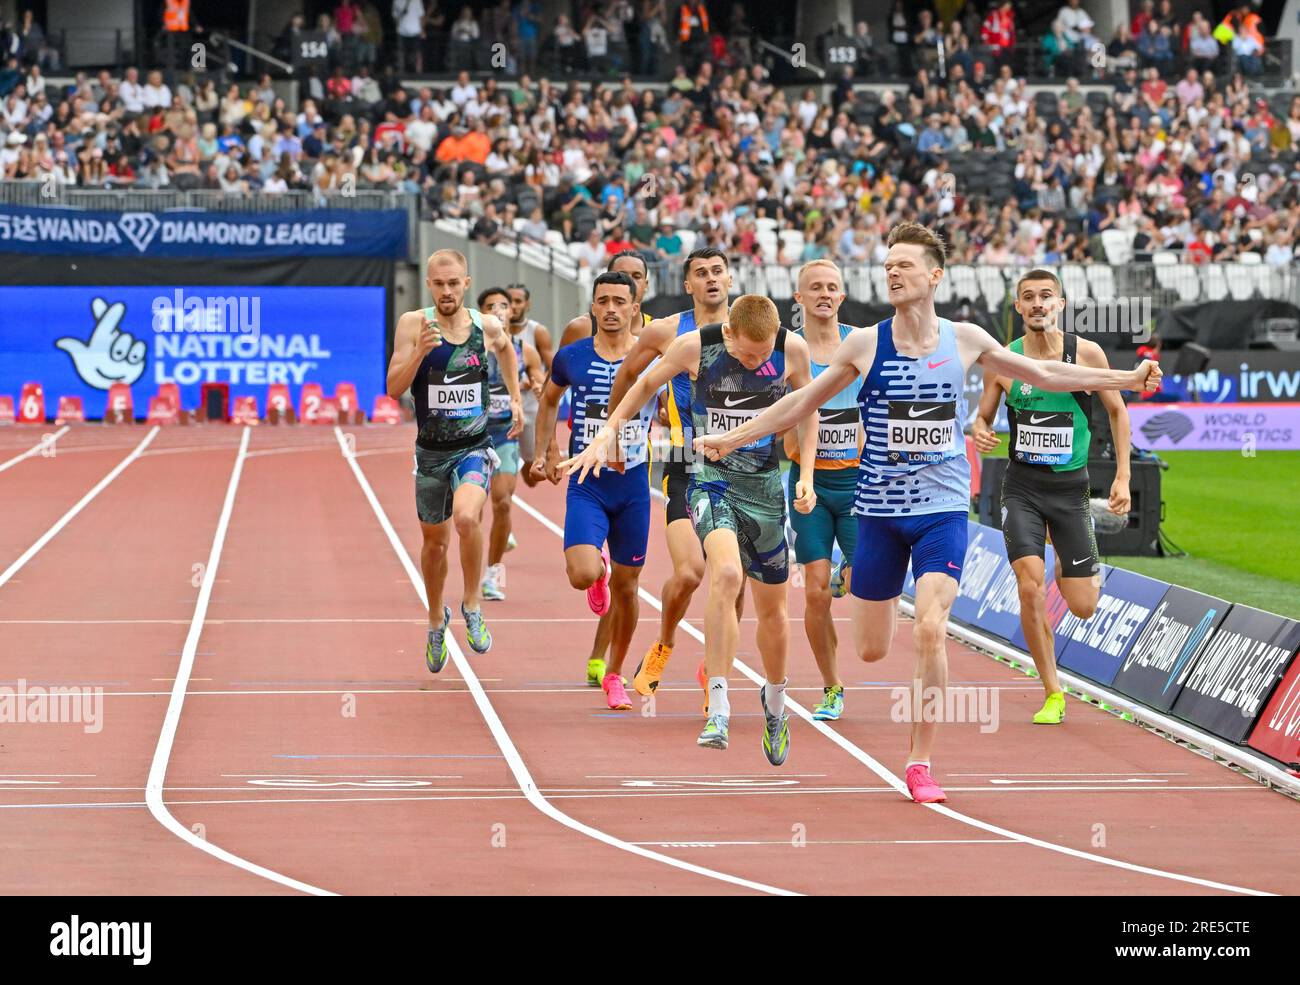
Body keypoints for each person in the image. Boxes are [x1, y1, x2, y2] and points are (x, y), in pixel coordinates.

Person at [691, 223, 1162, 801]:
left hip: (942, 511)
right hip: (879, 515)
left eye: (904, 266)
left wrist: (1126, 377)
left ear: (934, 276)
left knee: (932, 630)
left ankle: (919, 763)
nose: (891, 273)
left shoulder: (964, 338)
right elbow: (800, 401)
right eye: (887, 265)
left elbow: (1045, 374)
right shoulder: (865, 343)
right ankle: (854, 581)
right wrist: (735, 437)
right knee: (870, 647)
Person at [564, 295, 819, 764]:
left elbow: (808, 408)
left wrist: (805, 477)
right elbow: (640, 386)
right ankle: (718, 705)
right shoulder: (693, 346)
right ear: (729, 335)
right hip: (708, 478)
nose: (756, 363)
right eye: (746, 355)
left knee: (774, 614)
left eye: (764, 356)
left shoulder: (793, 350)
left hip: (764, 487)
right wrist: (607, 434)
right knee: (722, 573)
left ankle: (776, 701)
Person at [972, 269, 1133, 724]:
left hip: (1070, 491)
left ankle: (1066, 557)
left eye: (1047, 296)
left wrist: (1121, 477)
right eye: (1029, 298)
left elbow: (1118, 413)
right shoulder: (1004, 360)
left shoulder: (1085, 353)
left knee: (1083, 606)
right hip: (1021, 488)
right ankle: (1053, 691)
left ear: (1060, 304)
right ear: (1019, 309)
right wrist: (982, 430)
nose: (1038, 303)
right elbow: (982, 416)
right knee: (1028, 585)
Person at [601, 248, 731, 701]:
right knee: (692, 572)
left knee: (733, 578)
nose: (711, 279)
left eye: (718, 272)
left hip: (741, 466)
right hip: (683, 464)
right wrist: (615, 434)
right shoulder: (665, 330)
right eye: (701, 273)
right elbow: (629, 378)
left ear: (730, 280)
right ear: (688, 284)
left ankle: (714, 664)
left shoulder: (753, 328)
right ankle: (666, 640)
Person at [386, 250, 524, 670]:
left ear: (466, 283)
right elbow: (393, 389)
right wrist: (418, 354)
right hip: (430, 452)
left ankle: (471, 604)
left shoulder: (487, 326)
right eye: (438, 284)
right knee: (434, 543)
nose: (446, 291)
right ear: (429, 285)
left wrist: (516, 400)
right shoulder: (414, 324)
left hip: (473, 448)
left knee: (467, 519)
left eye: (453, 283)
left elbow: (506, 352)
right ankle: (434, 619)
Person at [534, 271, 657, 709]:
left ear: (633, 308)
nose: (610, 309)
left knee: (630, 589)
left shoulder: (652, 359)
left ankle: (617, 674)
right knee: (582, 573)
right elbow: (548, 400)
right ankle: (598, 573)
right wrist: (546, 450)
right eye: (602, 301)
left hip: (633, 488)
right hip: (587, 486)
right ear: (592, 307)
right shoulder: (573, 357)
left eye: (619, 301)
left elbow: (674, 412)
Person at [784, 260, 863, 721]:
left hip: (857, 485)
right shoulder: (791, 354)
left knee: (863, 582)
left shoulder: (860, 346)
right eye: (815, 288)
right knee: (814, 594)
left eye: (832, 287)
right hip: (808, 485)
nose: (824, 294)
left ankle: (844, 576)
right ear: (799, 298)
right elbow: (779, 422)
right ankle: (832, 686)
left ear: (842, 296)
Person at [476, 287, 544, 603]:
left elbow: (538, 375)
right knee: (472, 511)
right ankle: (471, 572)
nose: (500, 310)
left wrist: (537, 384)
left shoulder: (523, 349)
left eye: (504, 305)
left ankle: (491, 575)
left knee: (502, 502)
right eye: (491, 306)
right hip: (471, 436)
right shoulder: (469, 347)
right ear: (480, 313)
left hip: (505, 434)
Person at [505, 283, 553, 488]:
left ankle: (523, 462)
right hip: (502, 407)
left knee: (531, 478)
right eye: (509, 301)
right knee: (503, 480)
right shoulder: (493, 332)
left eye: (518, 301)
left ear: (527, 304)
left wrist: (538, 382)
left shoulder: (537, 331)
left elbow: (554, 368)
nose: (514, 306)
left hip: (530, 406)